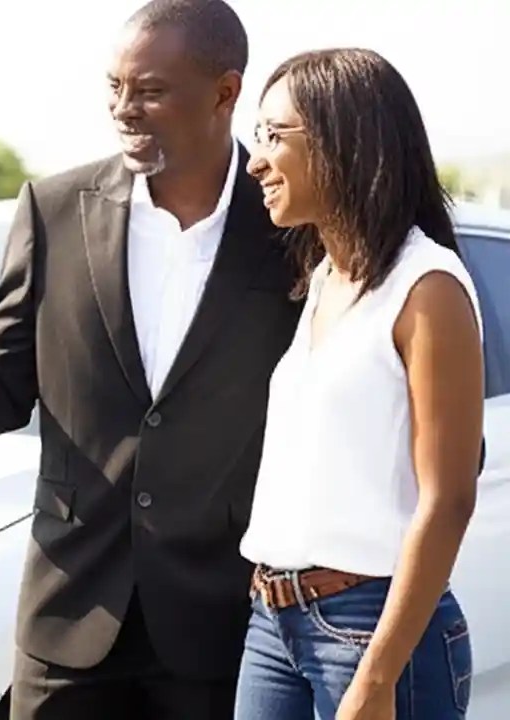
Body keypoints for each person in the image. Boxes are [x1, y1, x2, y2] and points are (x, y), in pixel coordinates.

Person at [0, 1, 302, 717]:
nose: (124, 109)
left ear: (225, 93)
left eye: (149, 91)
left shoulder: (289, 225)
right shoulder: (54, 210)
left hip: (225, 626)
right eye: (113, 88)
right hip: (70, 620)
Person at [234, 48, 483, 720]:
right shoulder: (325, 280)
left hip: (370, 628)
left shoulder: (426, 289)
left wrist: (375, 681)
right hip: (272, 621)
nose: (255, 160)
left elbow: (448, 498)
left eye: (273, 136)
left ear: (346, 142)